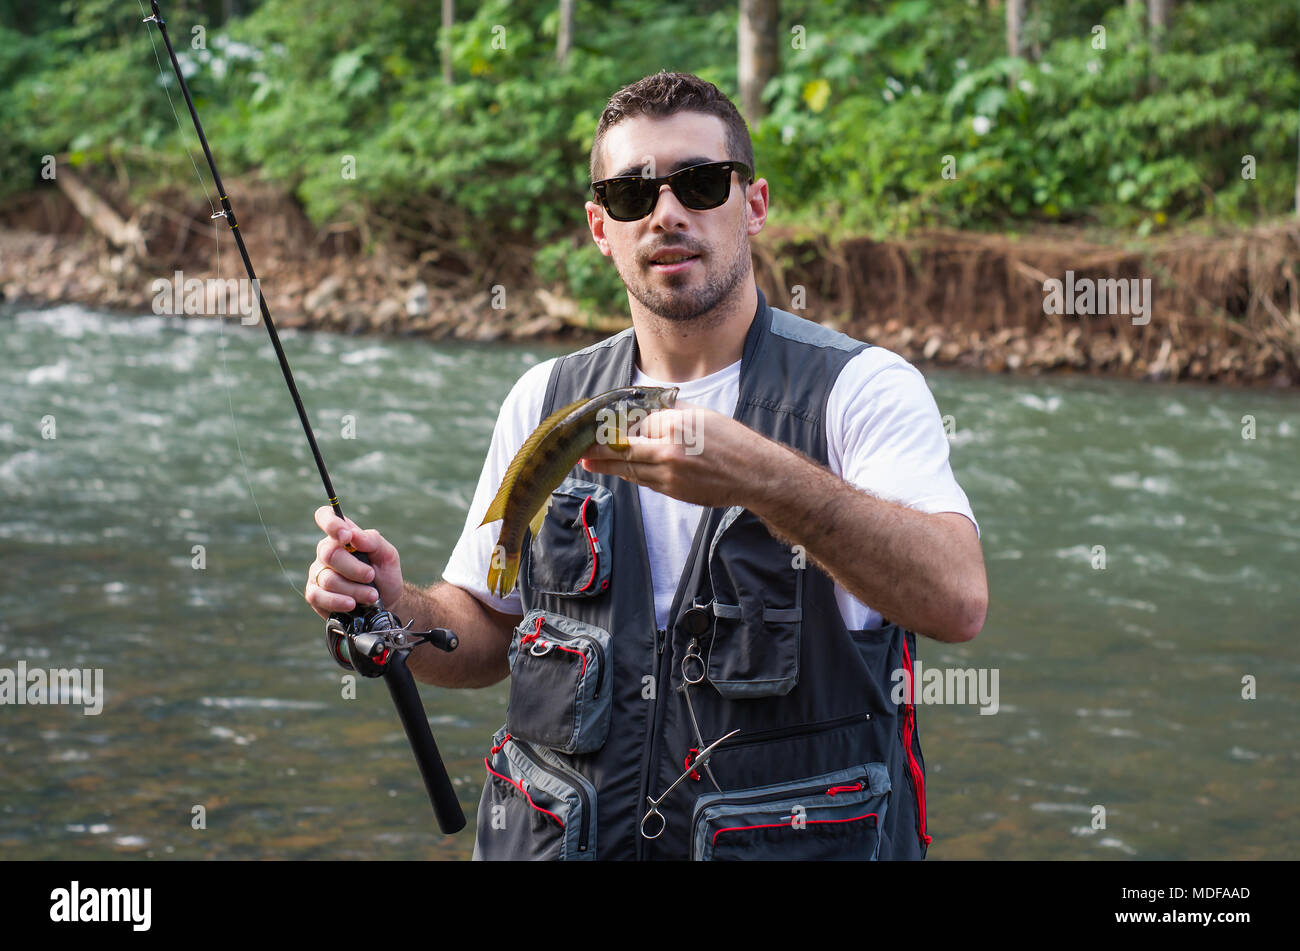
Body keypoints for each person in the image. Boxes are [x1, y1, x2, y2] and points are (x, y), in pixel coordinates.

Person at [304, 71, 986, 861]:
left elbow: (956, 600)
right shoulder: (544, 401)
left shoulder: (862, 391)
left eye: (698, 183)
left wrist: (762, 476)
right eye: (633, 195)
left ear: (753, 203)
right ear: (601, 227)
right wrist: (392, 605)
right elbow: (485, 632)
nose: (667, 212)